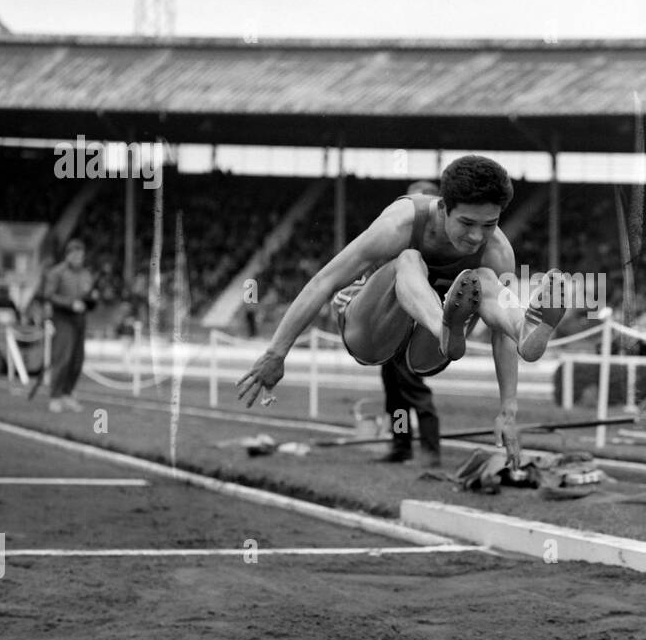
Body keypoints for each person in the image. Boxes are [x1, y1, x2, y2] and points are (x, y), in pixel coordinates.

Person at [237, 155, 566, 467]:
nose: (476, 236)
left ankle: (523, 326)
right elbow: (323, 282)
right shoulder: (399, 223)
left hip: (429, 349)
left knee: (486, 278)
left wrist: (508, 411)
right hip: (371, 330)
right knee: (409, 260)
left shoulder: (497, 251)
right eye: (466, 223)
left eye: (489, 224)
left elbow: (499, 336)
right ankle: (440, 336)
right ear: (442, 207)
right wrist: (277, 353)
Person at [379, 179, 444, 467]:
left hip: (413, 331)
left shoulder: (438, 248)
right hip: (390, 331)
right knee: (395, 396)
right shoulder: (399, 238)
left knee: (415, 392)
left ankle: (430, 452)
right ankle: (401, 445)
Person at [43, 238, 97, 413]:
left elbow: (88, 294)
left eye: (81, 254)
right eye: (75, 254)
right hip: (63, 318)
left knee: (77, 359)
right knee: (63, 357)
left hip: (80, 319)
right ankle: (55, 396)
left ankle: (67, 393)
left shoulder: (86, 273)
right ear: (68, 255)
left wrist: (92, 299)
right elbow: (49, 295)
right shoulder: (57, 272)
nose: (78, 257)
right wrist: (69, 303)